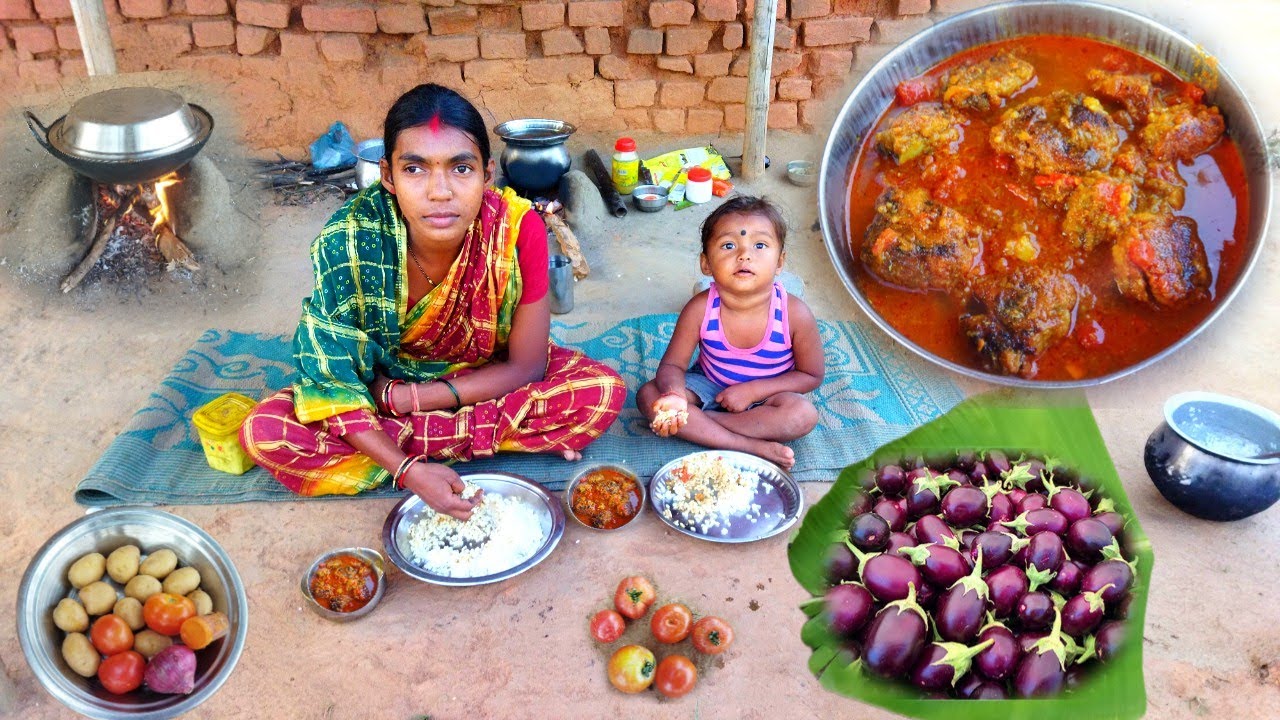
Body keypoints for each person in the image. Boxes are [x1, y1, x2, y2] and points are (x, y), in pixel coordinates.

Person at [241, 84, 626, 519]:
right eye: (416, 170)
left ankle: (395, 444)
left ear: (488, 174)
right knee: (268, 432)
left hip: (468, 381)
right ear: (388, 176)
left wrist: (411, 401)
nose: (439, 191)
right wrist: (408, 471)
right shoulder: (349, 240)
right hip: (386, 387)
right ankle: (469, 445)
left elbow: (526, 367)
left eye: (460, 169)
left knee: (599, 392)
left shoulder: (517, 231)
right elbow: (334, 384)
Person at [636, 195, 824, 469]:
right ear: (706, 264)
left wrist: (752, 390)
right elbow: (672, 366)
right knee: (648, 395)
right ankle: (746, 446)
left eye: (760, 245)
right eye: (728, 245)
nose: (744, 255)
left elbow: (811, 375)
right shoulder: (700, 308)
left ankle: (702, 426)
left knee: (803, 415)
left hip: (767, 399)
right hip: (709, 387)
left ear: (780, 262)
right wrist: (676, 397)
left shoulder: (795, 314)